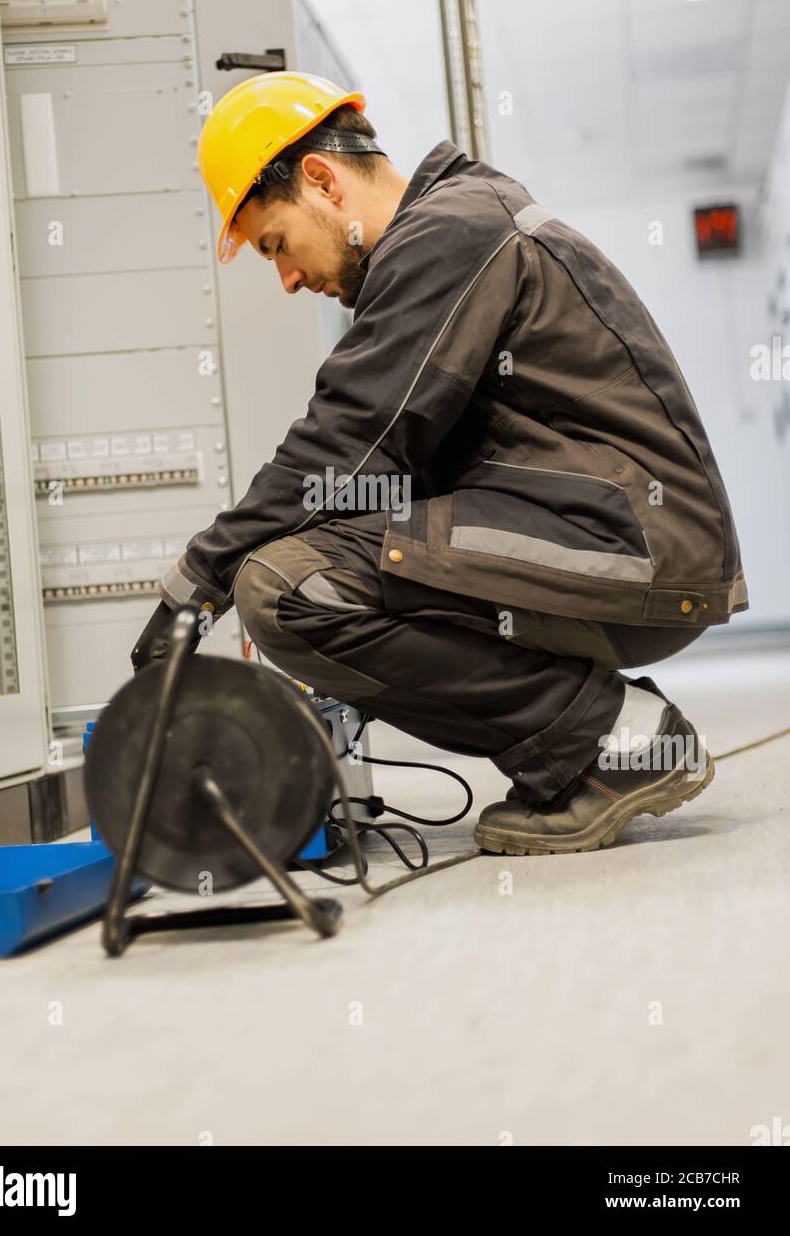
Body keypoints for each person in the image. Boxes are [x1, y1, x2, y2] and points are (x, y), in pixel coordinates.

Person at [132, 71, 747, 856]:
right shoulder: (454, 228)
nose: (287, 279)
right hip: (610, 531)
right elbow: (378, 464)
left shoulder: (450, 233)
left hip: (633, 540)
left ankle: (614, 741)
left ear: (320, 180)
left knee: (284, 589)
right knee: (315, 560)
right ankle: (601, 737)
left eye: (276, 244)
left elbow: (347, 437)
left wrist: (201, 576)